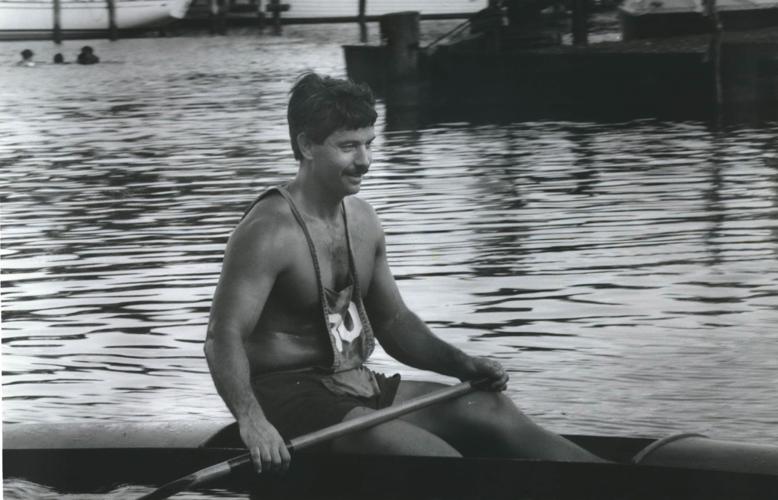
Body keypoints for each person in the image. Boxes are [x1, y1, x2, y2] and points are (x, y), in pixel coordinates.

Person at [204, 72, 603, 474]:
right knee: (433, 458)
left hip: (352, 382)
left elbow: (393, 322)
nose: (365, 160)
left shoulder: (363, 219)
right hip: (285, 399)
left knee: (488, 408)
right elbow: (223, 336)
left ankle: (612, 481)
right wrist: (252, 422)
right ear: (307, 145)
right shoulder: (267, 231)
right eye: (348, 147)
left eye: (368, 144)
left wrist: (462, 364)